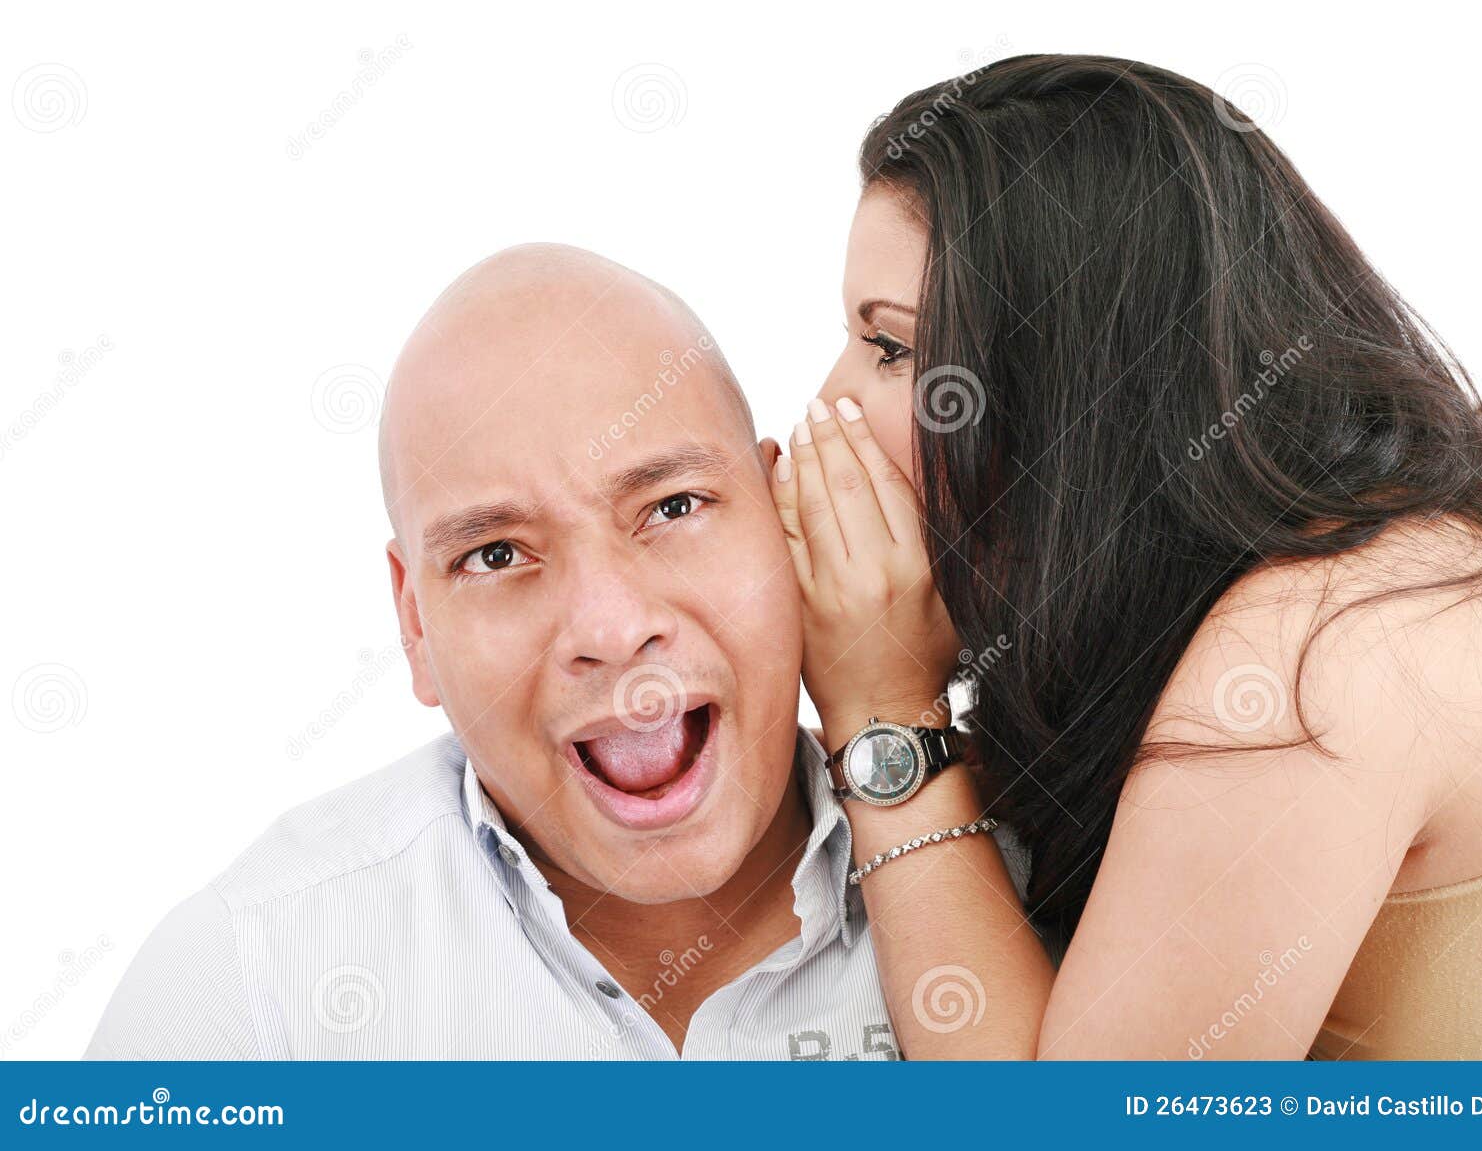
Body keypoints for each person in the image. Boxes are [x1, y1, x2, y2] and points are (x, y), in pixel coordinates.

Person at [771, 54, 1482, 1059]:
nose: (829, 404)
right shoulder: (1329, 570)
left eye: (894, 348)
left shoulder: (1316, 654)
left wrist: (882, 713)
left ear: (1084, 387)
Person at [85, 244, 970, 1060]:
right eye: (496, 555)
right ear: (416, 625)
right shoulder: (244, 986)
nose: (614, 627)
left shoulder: (1033, 895)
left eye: (673, 505)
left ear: (785, 519)